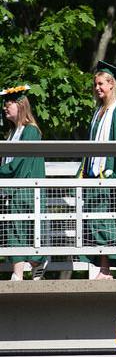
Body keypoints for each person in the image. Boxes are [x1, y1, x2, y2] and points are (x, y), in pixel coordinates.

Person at [77, 60, 116, 279]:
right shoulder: (98, 112)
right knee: (98, 224)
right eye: (96, 84)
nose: (97, 88)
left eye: (101, 84)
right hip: (94, 177)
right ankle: (104, 270)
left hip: (112, 177)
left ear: (112, 85)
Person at [0, 85, 49, 280]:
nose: (5, 107)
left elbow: (18, 165)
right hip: (13, 190)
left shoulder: (30, 131)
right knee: (14, 229)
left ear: (20, 105)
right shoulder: (12, 133)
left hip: (27, 190)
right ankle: (22, 271)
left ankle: (27, 268)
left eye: (9, 103)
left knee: (23, 230)